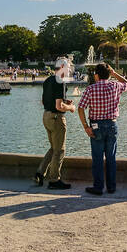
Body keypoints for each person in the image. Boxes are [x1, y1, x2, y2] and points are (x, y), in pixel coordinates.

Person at [77, 63, 127, 194]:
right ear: (108, 74)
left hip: (96, 126)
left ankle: (98, 187)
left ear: (96, 75)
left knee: (98, 158)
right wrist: (114, 74)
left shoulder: (90, 89)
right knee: (111, 157)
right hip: (112, 124)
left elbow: (81, 108)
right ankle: (111, 187)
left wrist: (85, 127)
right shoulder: (116, 86)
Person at [36, 57, 75, 189]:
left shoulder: (48, 80)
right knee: (60, 150)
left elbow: (43, 101)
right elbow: (59, 106)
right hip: (56, 118)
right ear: (63, 67)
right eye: (68, 67)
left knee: (53, 148)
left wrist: (65, 102)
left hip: (46, 116)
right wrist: (71, 108)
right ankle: (54, 180)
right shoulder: (60, 81)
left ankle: (40, 173)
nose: (70, 70)